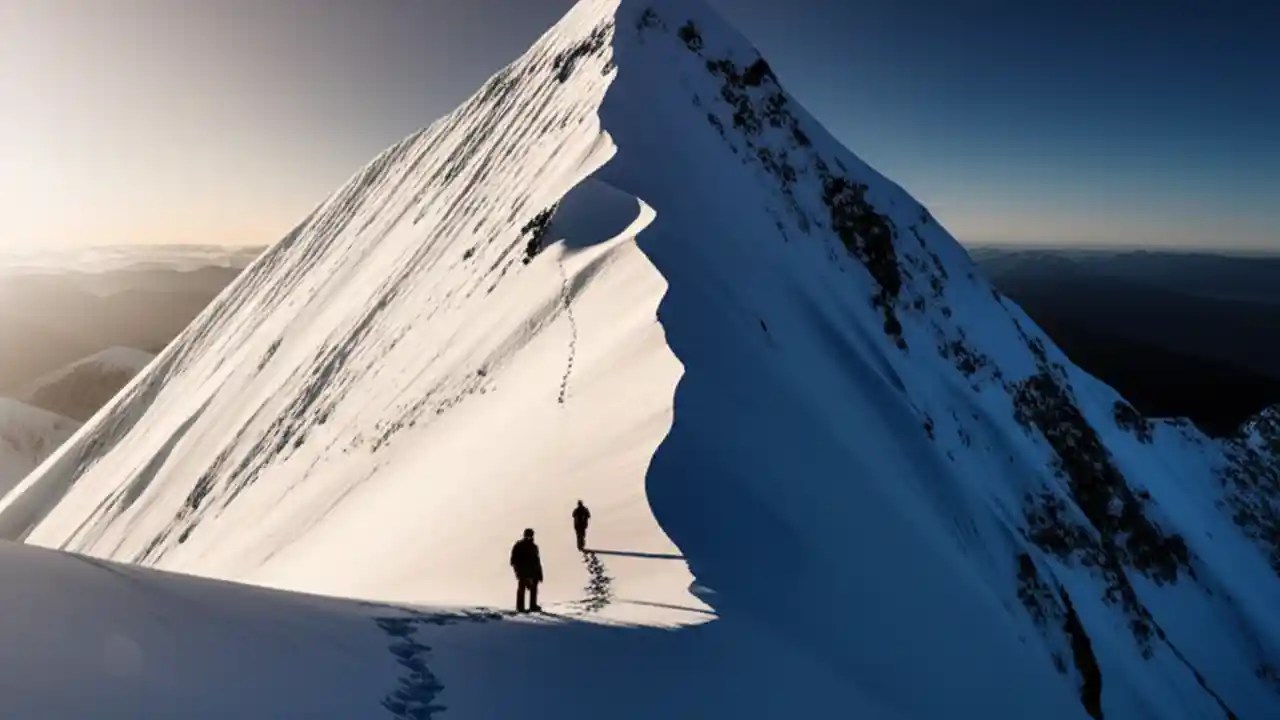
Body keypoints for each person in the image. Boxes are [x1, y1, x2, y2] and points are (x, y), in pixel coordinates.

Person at [510, 528, 543, 613]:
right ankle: (520, 607)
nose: (529, 537)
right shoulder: (519, 546)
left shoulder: (533, 547)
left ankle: (533, 606)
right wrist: (519, 572)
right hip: (523, 572)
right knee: (522, 588)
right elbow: (514, 560)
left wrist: (539, 574)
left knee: (533, 588)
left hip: (533, 573)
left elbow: (537, 561)